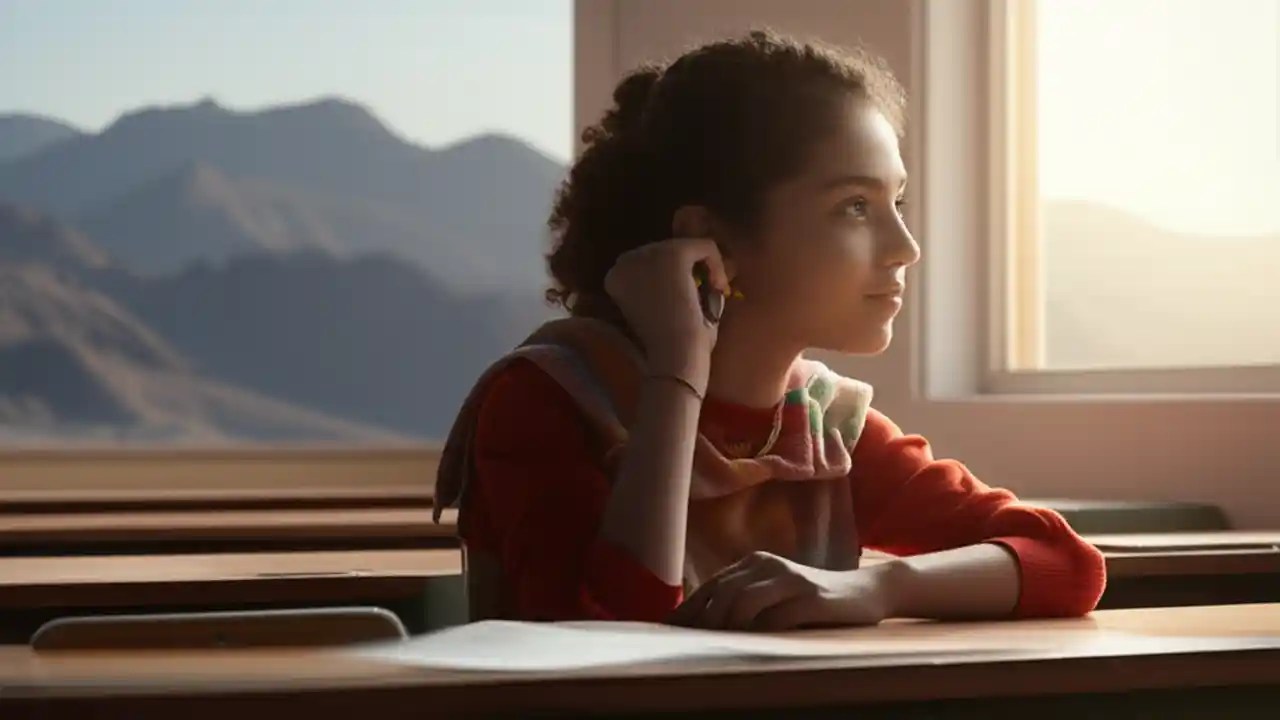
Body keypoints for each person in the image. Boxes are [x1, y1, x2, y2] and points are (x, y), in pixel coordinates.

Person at [434, 30, 1106, 631]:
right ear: (710, 240)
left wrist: (877, 586)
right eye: (854, 206)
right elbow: (613, 636)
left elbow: (1066, 563)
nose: (905, 246)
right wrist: (677, 371)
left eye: (895, 202)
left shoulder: (822, 425)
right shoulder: (548, 401)